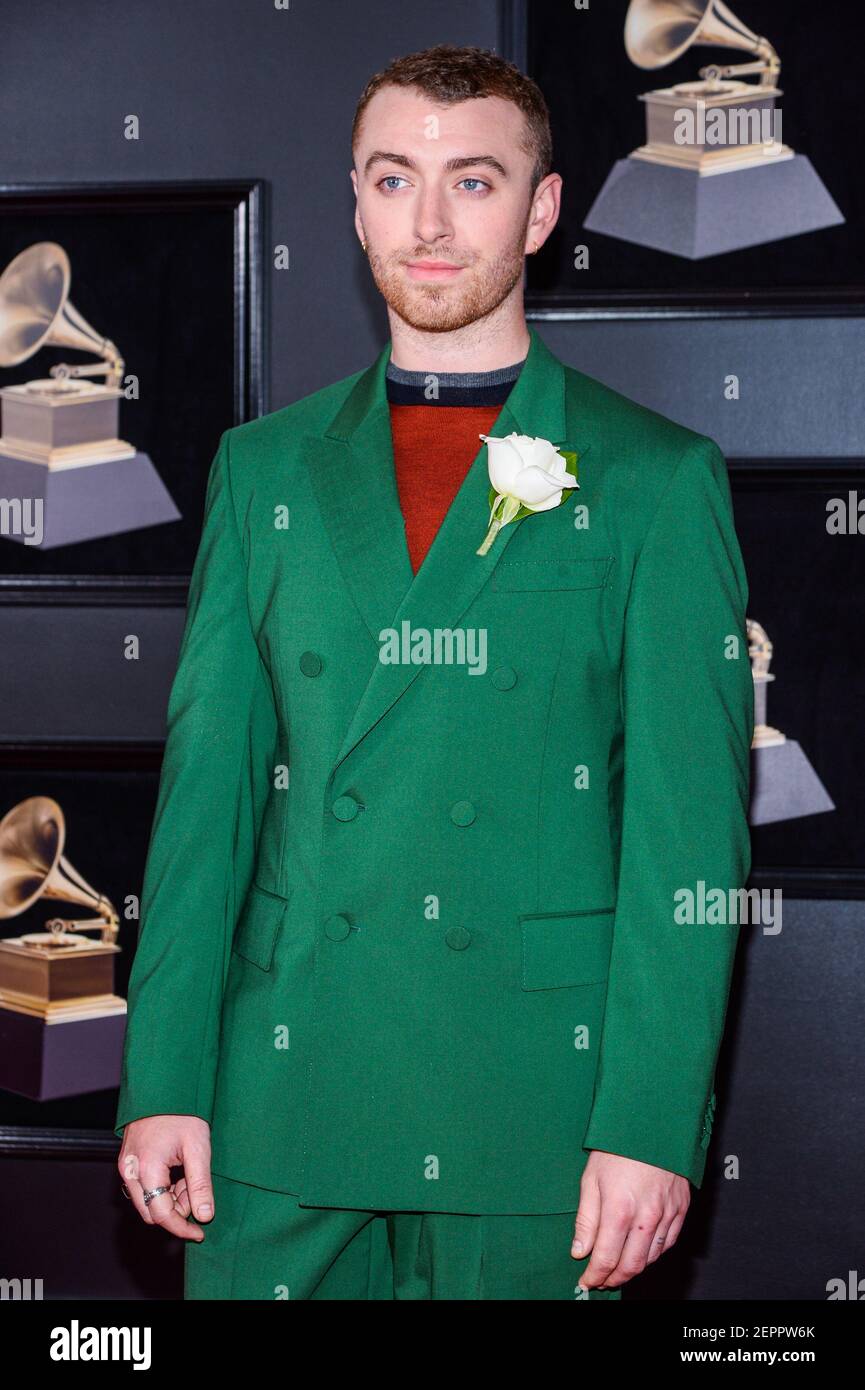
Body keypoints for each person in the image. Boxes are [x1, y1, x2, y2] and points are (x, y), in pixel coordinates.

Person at [115, 43, 753, 1301]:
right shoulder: (264, 470)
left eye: (472, 181)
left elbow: (690, 840)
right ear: (353, 202)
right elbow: (207, 802)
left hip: (538, 1117)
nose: (428, 220)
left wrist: (646, 1117)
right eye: (394, 178)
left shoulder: (655, 478)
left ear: (542, 206)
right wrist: (166, 1078)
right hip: (277, 1107)